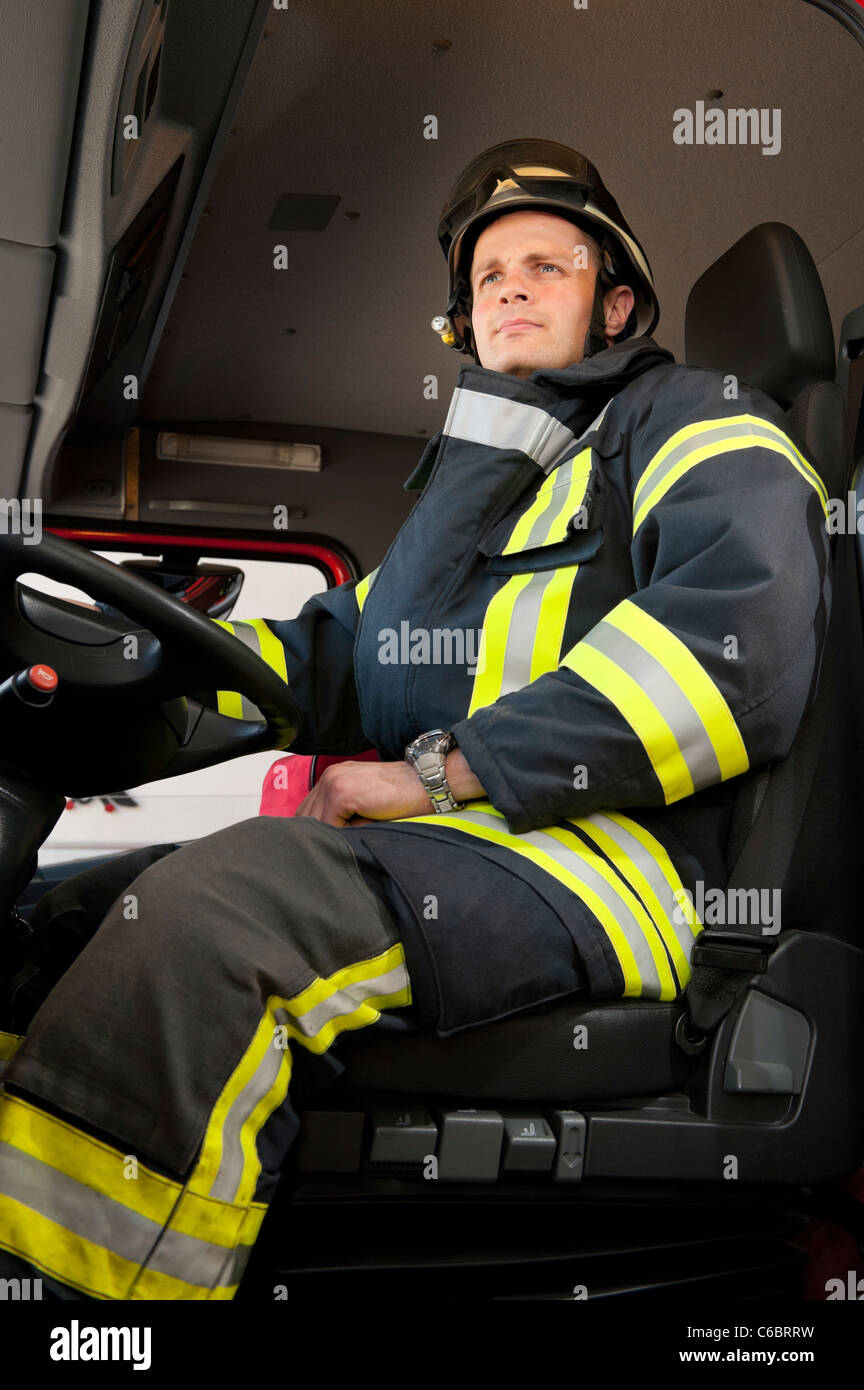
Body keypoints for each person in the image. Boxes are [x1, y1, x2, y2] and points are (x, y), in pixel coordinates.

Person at [0, 139, 830, 1300]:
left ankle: (90, 1305)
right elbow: (329, 657)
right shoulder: (478, 496)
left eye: (547, 266)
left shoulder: (694, 419)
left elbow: (737, 646)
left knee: (220, 908)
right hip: (466, 853)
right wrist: (131, 682)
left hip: (607, 863)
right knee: (72, 918)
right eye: (490, 276)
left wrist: (447, 770)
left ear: (615, 304)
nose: (512, 289)